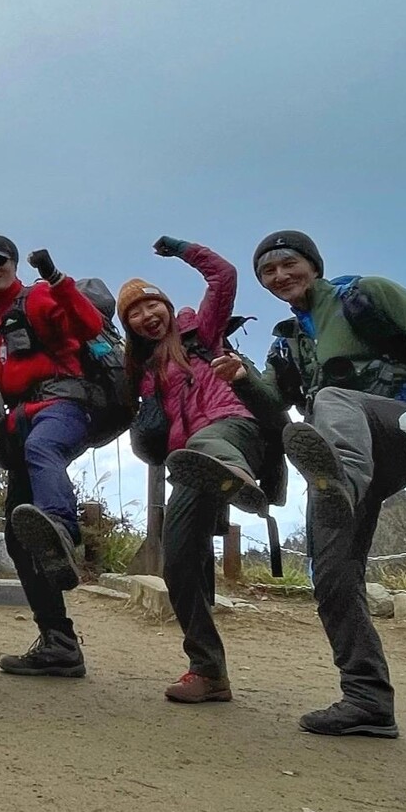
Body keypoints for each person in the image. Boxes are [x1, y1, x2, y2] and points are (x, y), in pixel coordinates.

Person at [213, 229, 406, 738]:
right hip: (347, 457)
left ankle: (338, 482)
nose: (280, 276)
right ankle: (367, 700)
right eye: (268, 272)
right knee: (332, 575)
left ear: (313, 264)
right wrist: (242, 379)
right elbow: (276, 410)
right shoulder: (286, 342)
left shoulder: (367, 294)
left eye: (288, 264)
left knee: (330, 400)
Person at [118, 237, 284, 702]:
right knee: (179, 560)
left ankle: (239, 479)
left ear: (167, 308)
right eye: (135, 312)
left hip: (234, 428)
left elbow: (224, 276)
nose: (148, 315)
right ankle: (208, 671)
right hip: (189, 461)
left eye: (153, 305)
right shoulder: (142, 371)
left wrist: (180, 249)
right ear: (129, 326)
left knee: (211, 444)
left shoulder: (200, 334)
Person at [0, 233, 104, 677]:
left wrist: (56, 278)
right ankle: (59, 643)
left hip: (63, 406)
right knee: (16, 534)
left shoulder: (40, 297)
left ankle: (63, 533)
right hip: (20, 421)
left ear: (13, 263)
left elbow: (89, 327)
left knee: (43, 448)